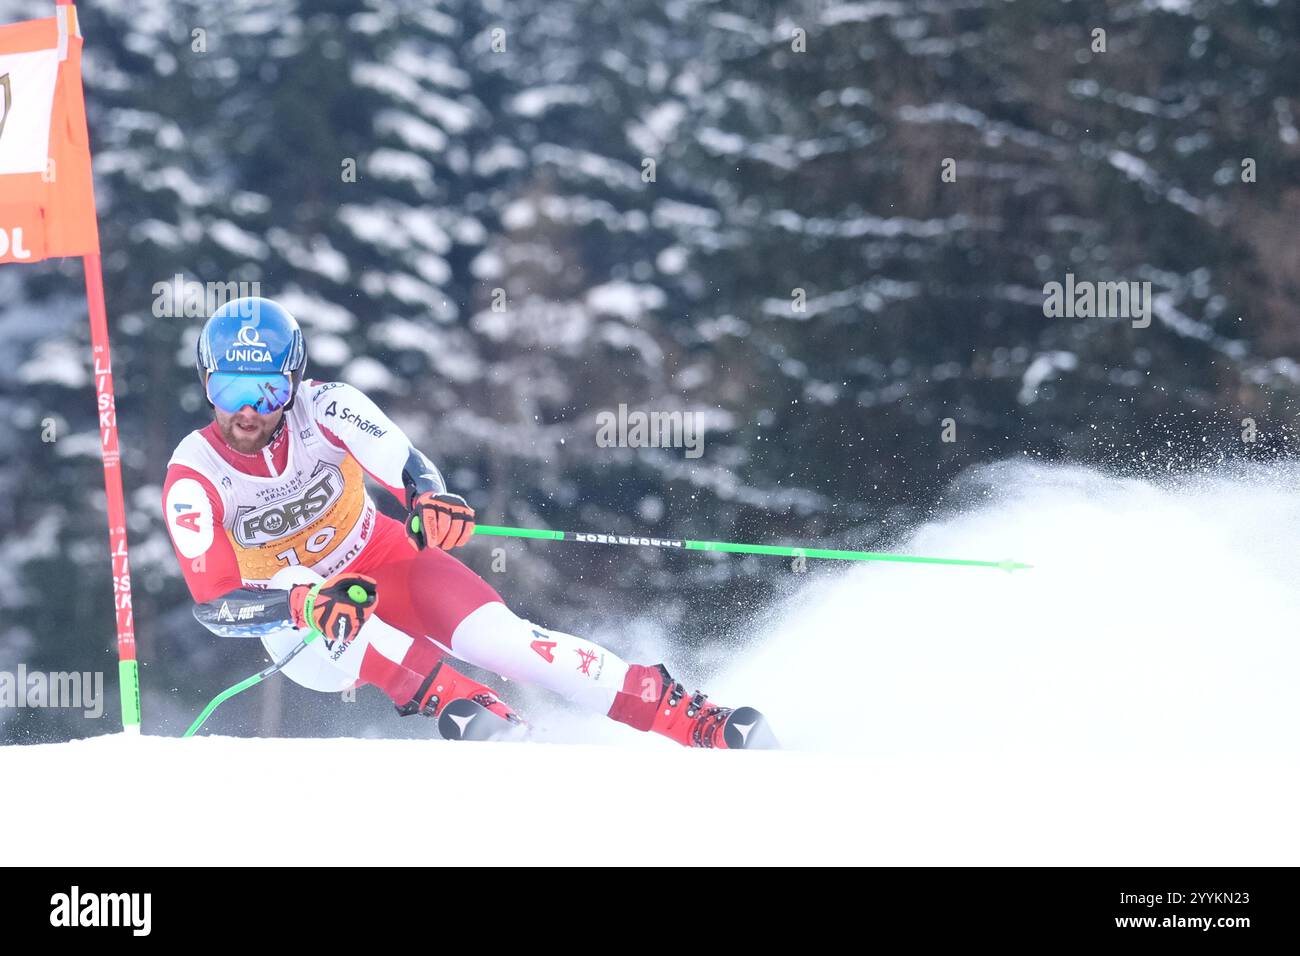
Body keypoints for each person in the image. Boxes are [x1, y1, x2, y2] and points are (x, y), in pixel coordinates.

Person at [162, 296, 773, 748]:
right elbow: (215, 605)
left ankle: (691, 719)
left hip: (386, 560)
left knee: (509, 641)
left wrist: (429, 499)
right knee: (315, 588)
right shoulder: (194, 476)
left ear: (292, 384)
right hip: (304, 628)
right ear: (206, 383)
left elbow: (402, 461)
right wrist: (301, 604)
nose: (248, 409)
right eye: (231, 387)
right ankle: (478, 717)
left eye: (266, 390)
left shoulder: (326, 406)